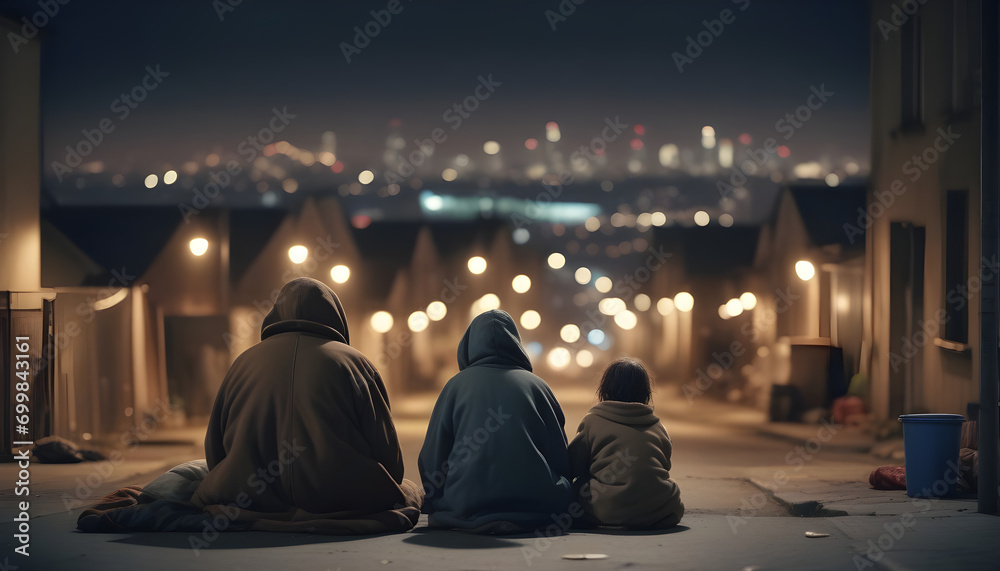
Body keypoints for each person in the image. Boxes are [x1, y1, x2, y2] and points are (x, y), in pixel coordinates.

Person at [191, 277, 423, 532]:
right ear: (335, 315)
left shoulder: (242, 363)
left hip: (248, 497)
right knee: (409, 490)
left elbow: (215, 450)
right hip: (343, 498)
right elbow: (389, 457)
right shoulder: (355, 363)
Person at [418, 309, 573, 534]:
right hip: (537, 505)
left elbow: (432, 457)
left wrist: (441, 498)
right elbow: (560, 456)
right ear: (516, 344)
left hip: (465, 504)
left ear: (468, 344)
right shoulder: (538, 386)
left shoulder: (455, 386)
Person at [568, 357, 684, 529]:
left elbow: (572, 467)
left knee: (577, 488)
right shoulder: (659, 427)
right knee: (669, 485)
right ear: (646, 394)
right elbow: (665, 465)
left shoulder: (593, 421)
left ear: (604, 391)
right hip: (658, 509)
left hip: (607, 508)